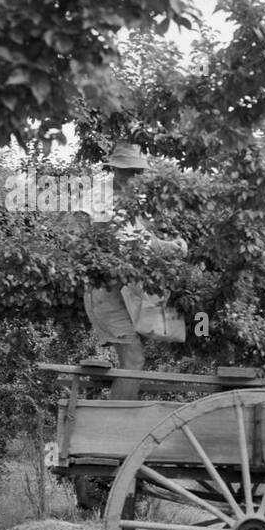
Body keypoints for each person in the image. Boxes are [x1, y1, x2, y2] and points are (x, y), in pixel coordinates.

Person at [81, 142, 186, 402]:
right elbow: (125, 243)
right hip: (104, 292)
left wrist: (170, 245)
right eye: (129, 171)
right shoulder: (99, 198)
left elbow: (142, 239)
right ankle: (118, 426)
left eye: (137, 172)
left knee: (137, 354)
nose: (133, 177)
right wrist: (165, 248)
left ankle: (118, 418)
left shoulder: (130, 200)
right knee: (134, 359)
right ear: (114, 169)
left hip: (123, 292)